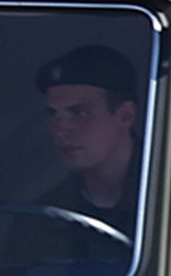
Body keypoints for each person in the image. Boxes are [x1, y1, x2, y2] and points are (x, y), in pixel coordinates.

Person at [37, 46, 148, 225]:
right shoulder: (44, 217)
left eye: (79, 112)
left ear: (125, 116)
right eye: (53, 114)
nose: (61, 129)